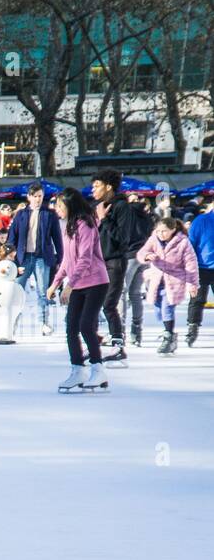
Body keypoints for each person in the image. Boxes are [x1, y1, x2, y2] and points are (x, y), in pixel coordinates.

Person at [48, 188, 110, 392]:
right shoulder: (68, 227)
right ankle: (77, 370)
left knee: (85, 325)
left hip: (96, 282)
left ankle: (98, 369)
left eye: (59, 205)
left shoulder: (86, 225)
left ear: (70, 205)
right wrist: (55, 283)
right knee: (71, 327)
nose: (57, 209)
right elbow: (67, 259)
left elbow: (85, 258)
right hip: (79, 283)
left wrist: (69, 285)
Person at [94, 168, 151, 360]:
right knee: (94, 302)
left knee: (109, 304)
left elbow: (122, 238)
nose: (93, 189)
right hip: (99, 262)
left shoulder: (122, 207)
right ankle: (95, 339)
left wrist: (104, 219)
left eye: (97, 185)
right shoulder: (100, 205)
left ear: (108, 186)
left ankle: (118, 343)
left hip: (115, 262)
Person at [137, 216, 198, 355]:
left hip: (174, 281)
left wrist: (192, 284)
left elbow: (191, 264)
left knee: (167, 308)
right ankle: (170, 335)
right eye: (158, 231)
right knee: (159, 310)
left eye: (164, 231)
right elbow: (142, 252)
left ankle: (168, 336)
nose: (160, 234)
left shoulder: (183, 242)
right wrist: (147, 256)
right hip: (156, 279)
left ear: (173, 230)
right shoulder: (154, 239)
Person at [7, 185, 63, 337]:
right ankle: (12, 322)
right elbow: (12, 236)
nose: (38, 199)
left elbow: (57, 238)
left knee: (43, 291)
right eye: (35, 196)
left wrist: (60, 258)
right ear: (29, 197)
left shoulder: (49, 215)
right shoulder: (20, 215)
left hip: (42, 257)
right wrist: (10, 252)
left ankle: (43, 322)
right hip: (23, 258)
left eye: (40, 196)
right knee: (17, 291)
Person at [186, 197, 214, 346]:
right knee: (197, 299)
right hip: (201, 267)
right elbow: (191, 244)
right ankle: (193, 327)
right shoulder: (201, 220)